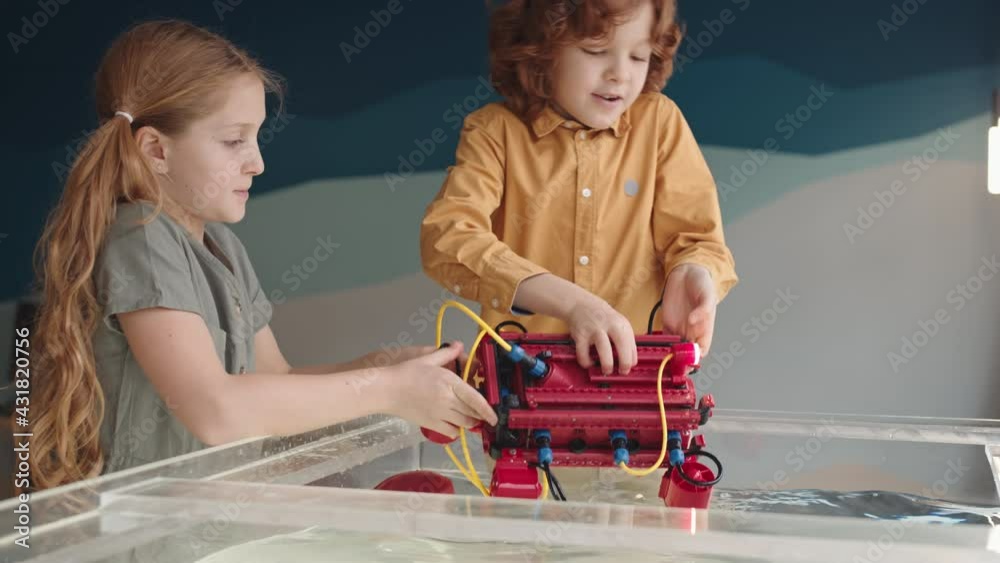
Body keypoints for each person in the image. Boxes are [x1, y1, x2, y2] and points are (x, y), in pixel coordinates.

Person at [30, 19, 496, 491]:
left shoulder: (221, 245)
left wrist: (388, 367)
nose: (258, 162)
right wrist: (391, 391)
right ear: (155, 149)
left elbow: (278, 376)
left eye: (255, 138)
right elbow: (217, 410)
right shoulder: (142, 239)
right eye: (234, 141)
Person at [421, 0, 738, 376]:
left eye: (639, 56)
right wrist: (571, 303)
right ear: (541, 49)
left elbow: (698, 239)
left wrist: (693, 270)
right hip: (524, 388)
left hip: (642, 386)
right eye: (596, 50)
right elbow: (449, 236)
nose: (620, 74)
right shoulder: (494, 132)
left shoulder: (660, 122)